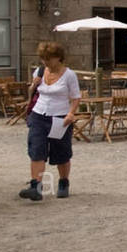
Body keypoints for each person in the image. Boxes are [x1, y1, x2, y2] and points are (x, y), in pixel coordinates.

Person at [20, 41, 80, 201]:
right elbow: (31, 92)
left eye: (49, 59)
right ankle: (36, 187)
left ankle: (63, 182)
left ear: (59, 58)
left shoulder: (69, 75)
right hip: (39, 114)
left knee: (61, 152)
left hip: (60, 117)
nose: (45, 62)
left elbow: (76, 97)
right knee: (36, 150)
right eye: (43, 59)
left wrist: (70, 114)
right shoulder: (39, 71)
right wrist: (33, 85)